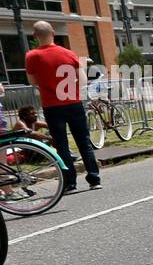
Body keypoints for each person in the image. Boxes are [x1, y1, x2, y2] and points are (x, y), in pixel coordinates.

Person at [23, 21, 101, 191]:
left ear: (35, 36)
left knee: (61, 145)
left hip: (52, 105)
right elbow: (83, 80)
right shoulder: (68, 53)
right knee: (84, 142)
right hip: (73, 103)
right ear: (53, 33)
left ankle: (70, 183)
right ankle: (94, 179)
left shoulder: (32, 56)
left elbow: (32, 81)